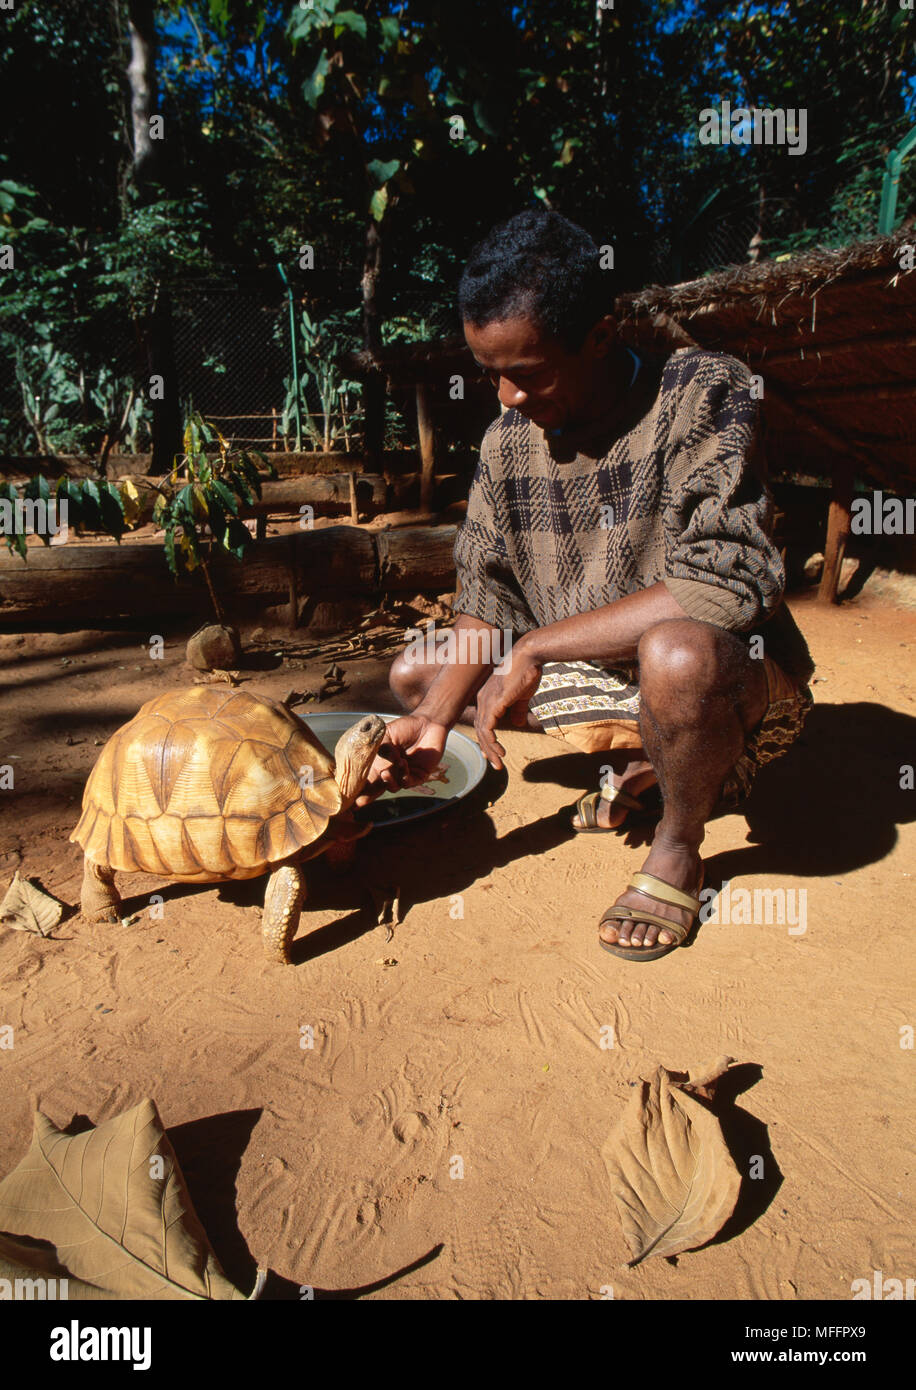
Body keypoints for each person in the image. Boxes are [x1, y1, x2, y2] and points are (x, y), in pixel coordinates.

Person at [358, 208, 814, 962]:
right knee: (416, 673)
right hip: (607, 682)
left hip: (728, 681)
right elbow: (487, 596)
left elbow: (729, 582)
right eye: (491, 373)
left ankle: (679, 838)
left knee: (677, 658)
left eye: (526, 373)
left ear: (600, 337)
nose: (505, 396)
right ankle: (664, 756)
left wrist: (538, 644)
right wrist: (438, 717)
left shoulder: (705, 392)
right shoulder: (509, 442)